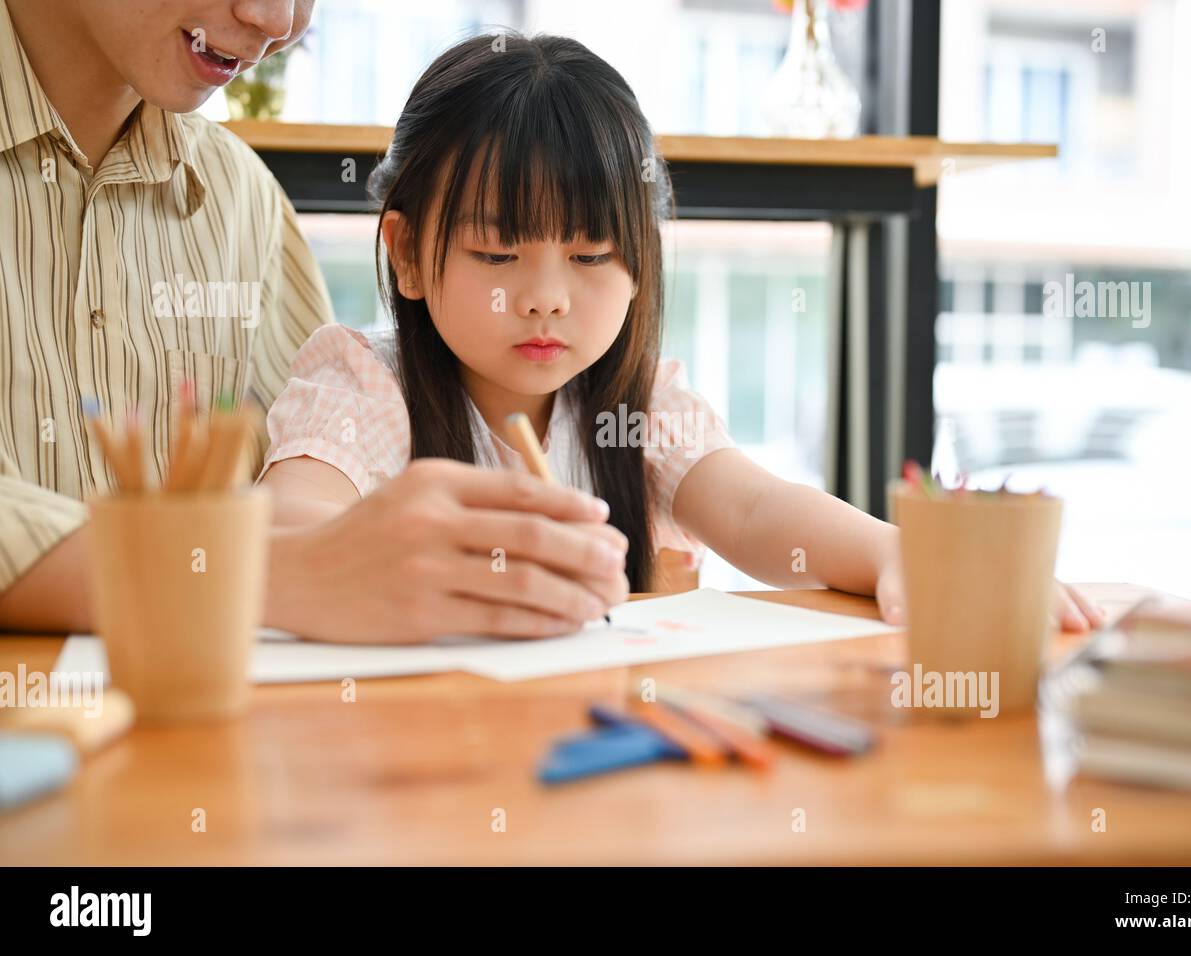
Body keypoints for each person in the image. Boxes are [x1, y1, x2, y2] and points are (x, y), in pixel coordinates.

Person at [258, 32, 1107, 637]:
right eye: (497, 251)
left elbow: (756, 507)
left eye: (593, 254)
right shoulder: (365, 385)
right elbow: (285, 525)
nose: (546, 298)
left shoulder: (638, 404)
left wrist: (904, 554)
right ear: (406, 252)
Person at [0, 2, 629, 642]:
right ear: (404, 251)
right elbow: (314, 542)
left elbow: (325, 512)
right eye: (496, 253)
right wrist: (273, 576)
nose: (277, 20)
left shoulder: (243, 204)